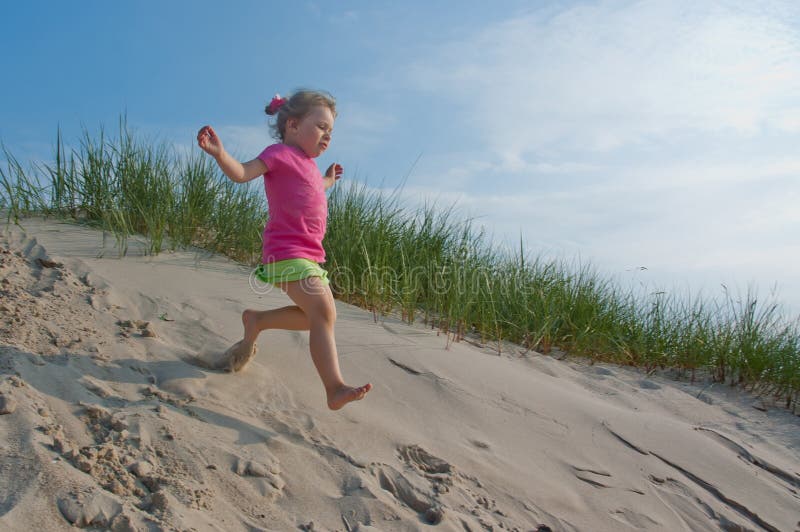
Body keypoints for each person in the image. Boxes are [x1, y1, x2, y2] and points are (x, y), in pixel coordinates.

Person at [197, 89, 372, 410]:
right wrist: (220, 154)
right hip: (287, 252)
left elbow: (314, 188)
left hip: (310, 257)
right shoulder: (279, 154)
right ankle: (334, 388)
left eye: (331, 132)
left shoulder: (307, 167)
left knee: (316, 318)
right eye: (321, 127)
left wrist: (329, 179)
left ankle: (257, 321)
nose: (327, 136)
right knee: (323, 312)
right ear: (292, 125)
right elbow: (243, 173)